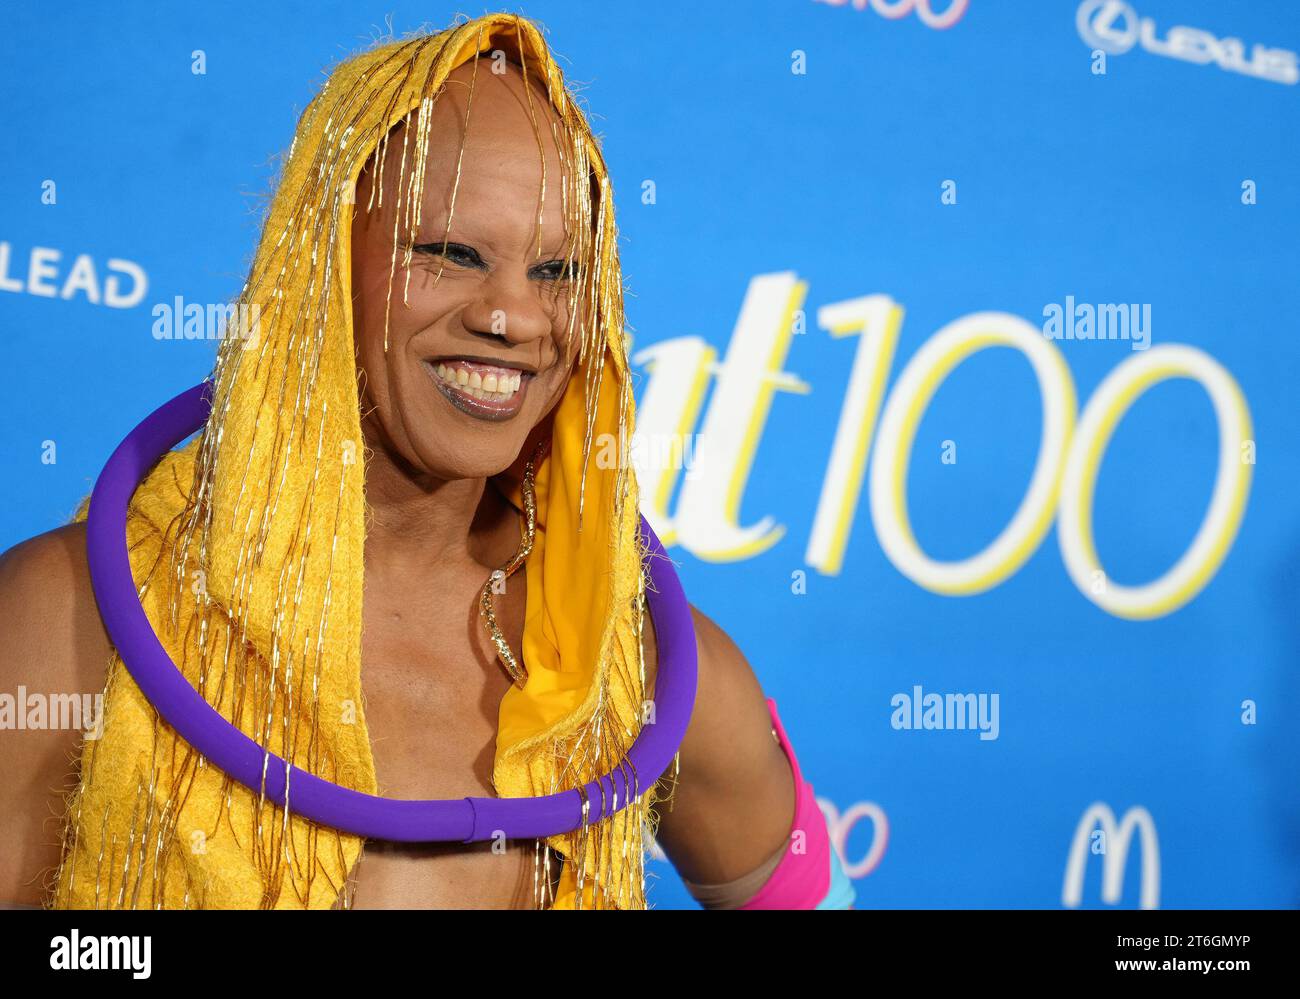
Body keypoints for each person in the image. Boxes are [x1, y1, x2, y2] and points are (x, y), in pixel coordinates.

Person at [0, 12, 853, 910]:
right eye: (449, 252)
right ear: (320, 264)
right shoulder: (71, 623)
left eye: (560, 272)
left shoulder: (637, 657)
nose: (515, 317)